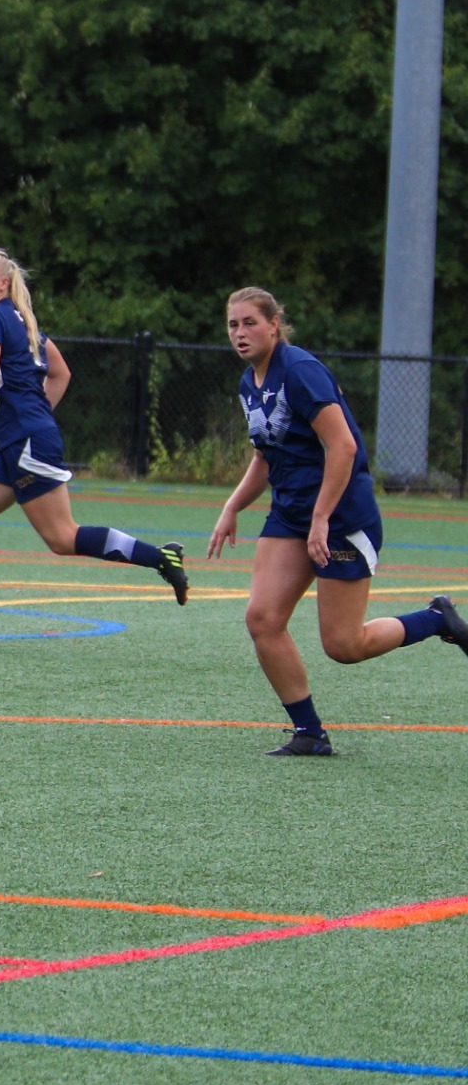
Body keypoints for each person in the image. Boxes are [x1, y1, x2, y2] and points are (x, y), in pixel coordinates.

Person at [207, 287, 468, 755]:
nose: (240, 333)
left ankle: (435, 619)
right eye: (233, 324)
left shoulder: (300, 371)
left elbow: (343, 446)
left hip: (342, 517)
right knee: (262, 619)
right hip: (291, 515)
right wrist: (232, 507)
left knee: (344, 646)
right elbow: (265, 456)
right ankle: (309, 733)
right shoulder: (250, 382)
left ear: (274, 325)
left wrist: (322, 518)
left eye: (250, 323)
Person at [0, 248, 189, 644]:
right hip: (21, 441)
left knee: (62, 538)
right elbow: (61, 373)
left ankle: (162, 558)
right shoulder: (22, 319)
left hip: (25, 442)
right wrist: (36, 416)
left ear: (4, 283)